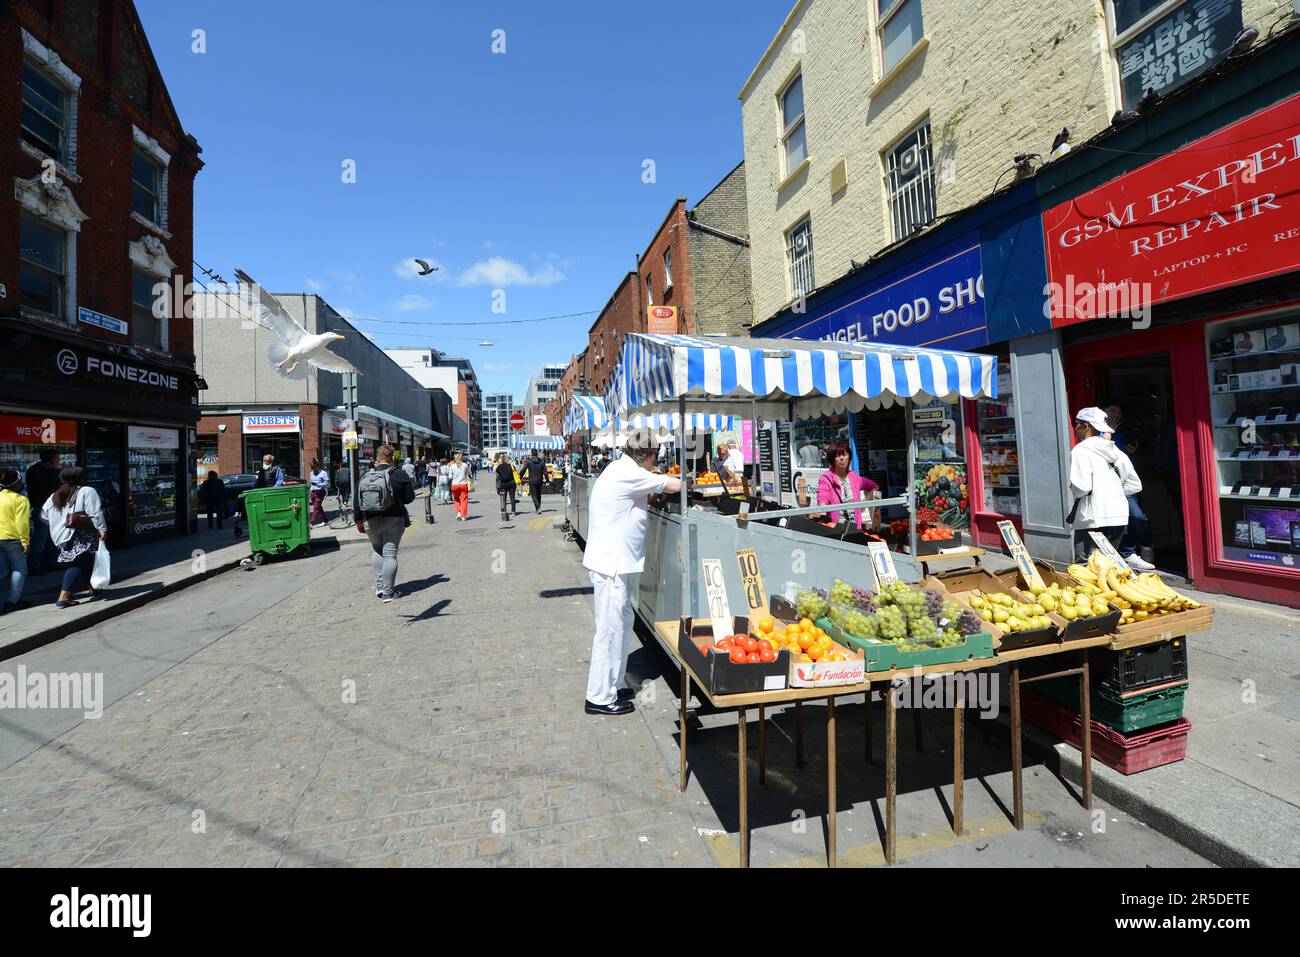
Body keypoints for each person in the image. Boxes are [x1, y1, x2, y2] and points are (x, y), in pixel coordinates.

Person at [582, 438, 682, 716]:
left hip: (615, 563)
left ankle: (612, 684)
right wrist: (687, 480)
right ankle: (599, 697)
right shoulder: (631, 473)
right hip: (612, 565)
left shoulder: (619, 469)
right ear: (647, 456)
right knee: (610, 630)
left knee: (622, 624)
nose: (654, 462)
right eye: (654, 457)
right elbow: (673, 485)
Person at [1068, 407, 1141, 564]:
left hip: (1091, 518)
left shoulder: (1080, 450)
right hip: (1118, 517)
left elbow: (1082, 488)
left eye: (1076, 423)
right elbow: (1135, 484)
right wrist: (1113, 492)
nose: (1075, 427)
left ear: (1085, 426)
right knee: (1108, 568)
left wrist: (1074, 490)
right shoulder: (1116, 450)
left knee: (1086, 569)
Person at [354, 445, 416, 603]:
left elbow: (356, 500)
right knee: (390, 554)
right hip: (393, 519)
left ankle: (380, 587)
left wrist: (358, 520)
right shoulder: (399, 474)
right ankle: (388, 593)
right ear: (392, 458)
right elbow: (409, 498)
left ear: (377, 458)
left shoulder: (366, 476)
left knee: (377, 550)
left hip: (369, 520)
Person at [42, 466, 108, 608]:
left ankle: (92, 588)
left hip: (62, 535)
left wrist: (57, 523)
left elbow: (43, 515)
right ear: (82, 479)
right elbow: (95, 512)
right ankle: (64, 596)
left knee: (85, 558)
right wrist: (102, 529)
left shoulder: (55, 495)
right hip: (81, 533)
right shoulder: (87, 491)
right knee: (78, 561)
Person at [1103, 403, 1155, 570]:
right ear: (1104, 412)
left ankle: (1145, 545)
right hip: (1109, 484)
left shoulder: (1122, 431)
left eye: (1119, 411)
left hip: (1125, 482)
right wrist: (1108, 432)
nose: (1116, 414)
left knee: (1138, 517)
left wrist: (1132, 450)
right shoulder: (1098, 433)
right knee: (1120, 520)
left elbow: (1121, 455)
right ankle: (1127, 553)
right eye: (1112, 410)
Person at [815, 439, 881, 529]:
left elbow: (875, 487)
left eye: (845, 455)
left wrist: (864, 502)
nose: (842, 458)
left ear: (849, 457)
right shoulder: (826, 478)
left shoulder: (855, 477)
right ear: (832, 459)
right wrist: (822, 506)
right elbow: (823, 496)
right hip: (835, 527)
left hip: (855, 526)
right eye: (838, 456)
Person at [24, 448, 61, 576]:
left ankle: (50, 561)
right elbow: (49, 487)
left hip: (53, 507)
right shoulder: (35, 471)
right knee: (40, 538)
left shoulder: (51, 471)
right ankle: (34, 565)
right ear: (51, 460)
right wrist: (55, 471)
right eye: (57, 459)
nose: (59, 461)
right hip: (40, 507)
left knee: (52, 536)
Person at [0, 469, 31, 613]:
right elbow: (22, 523)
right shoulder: (21, 500)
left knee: (2, 570)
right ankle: (12, 601)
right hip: (12, 539)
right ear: (17, 483)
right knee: (19, 569)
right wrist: (25, 541)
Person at [448, 451, 472, 521]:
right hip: (463, 485)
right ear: (462, 458)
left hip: (454, 485)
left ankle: (458, 513)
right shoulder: (465, 465)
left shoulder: (452, 466)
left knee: (456, 499)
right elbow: (468, 473)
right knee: (464, 500)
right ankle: (463, 516)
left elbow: (450, 477)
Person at [494, 452, 517, 521]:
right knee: (512, 497)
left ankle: (504, 510)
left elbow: (496, 473)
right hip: (511, 483)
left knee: (503, 498)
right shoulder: (511, 465)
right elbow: (515, 471)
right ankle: (513, 511)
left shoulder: (499, 466)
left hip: (503, 484)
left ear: (501, 459)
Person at [308, 459, 329, 527]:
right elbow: (311, 482)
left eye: (314, 468)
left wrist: (319, 484)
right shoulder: (311, 473)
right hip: (313, 492)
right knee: (318, 507)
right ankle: (325, 520)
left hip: (320, 492)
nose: (313, 470)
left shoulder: (323, 473)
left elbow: (326, 483)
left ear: (317, 466)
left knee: (316, 507)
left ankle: (311, 522)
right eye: (312, 468)